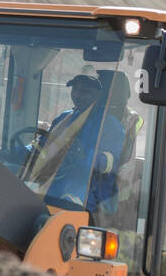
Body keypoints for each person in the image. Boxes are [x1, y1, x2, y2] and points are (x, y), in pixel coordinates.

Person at [25, 73, 124, 215]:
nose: (77, 95)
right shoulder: (65, 117)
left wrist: (84, 156)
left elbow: (109, 163)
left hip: (89, 187)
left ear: (98, 95)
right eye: (75, 90)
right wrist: (21, 152)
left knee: (62, 204)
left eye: (84, 92)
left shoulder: (109, 125)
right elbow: (44, 145)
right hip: (57, 177)